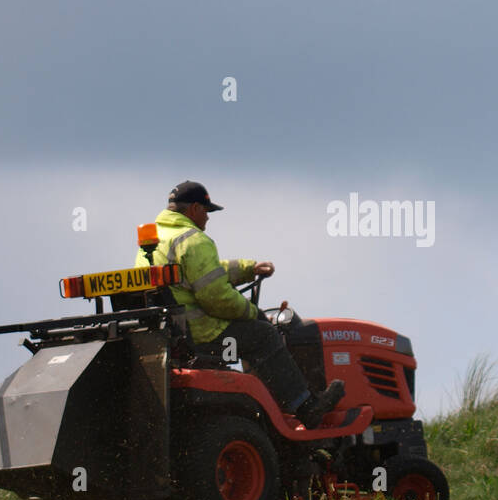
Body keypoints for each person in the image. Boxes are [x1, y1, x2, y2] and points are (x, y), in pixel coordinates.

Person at [136, 181, 345, 429]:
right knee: (264, 335)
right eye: (206, 211)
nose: (208, 218)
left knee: (253, 332)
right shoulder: (194, 240)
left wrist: (248, 268)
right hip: (201, 337)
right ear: (193, 209)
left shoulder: (155, 241)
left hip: (170, 335)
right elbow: (217, 299)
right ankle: (305, 407)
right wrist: (253, 312)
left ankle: (273, 405)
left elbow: (204, 272)